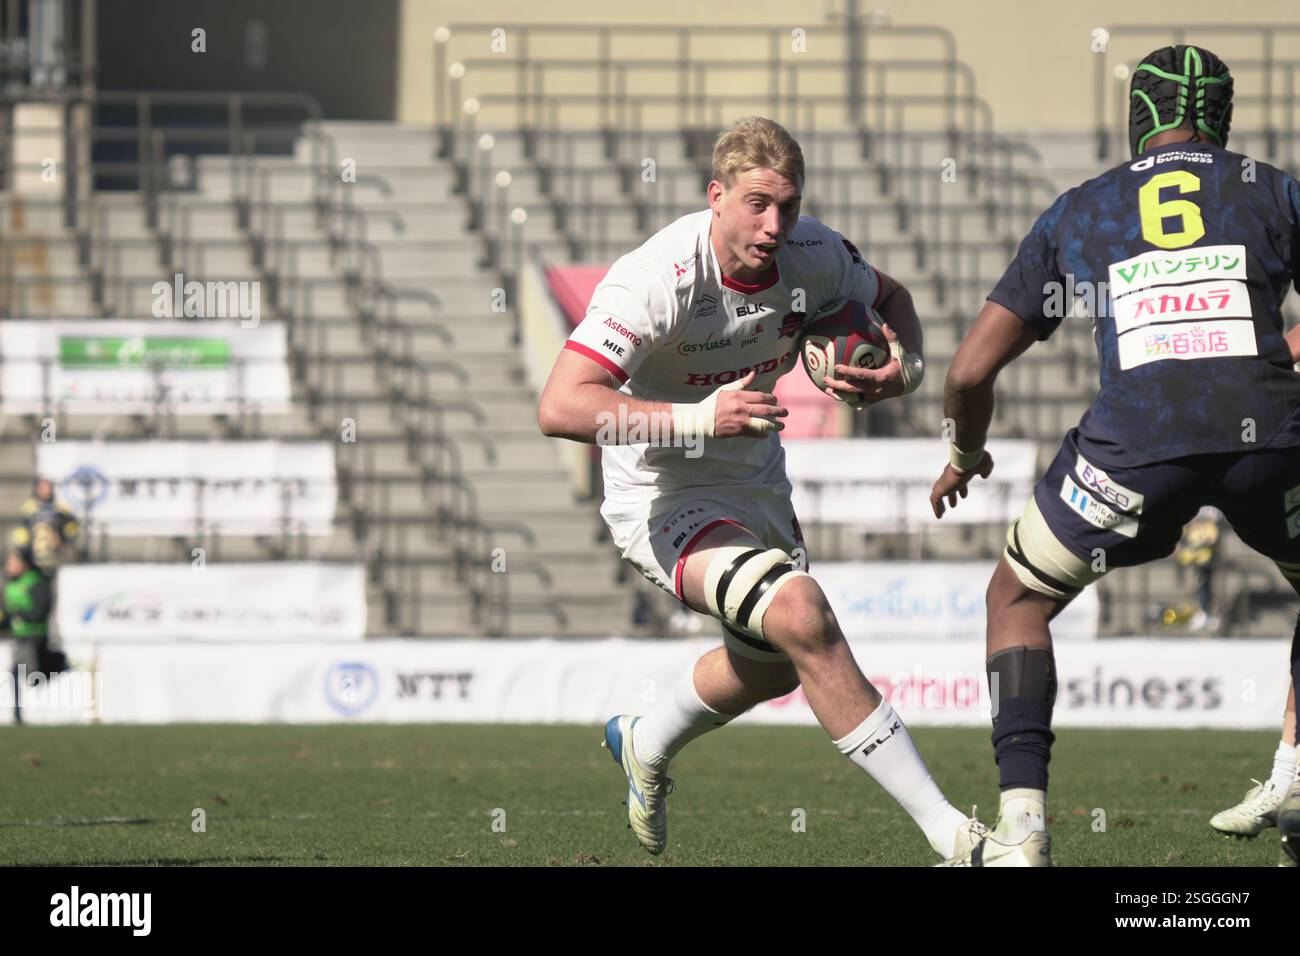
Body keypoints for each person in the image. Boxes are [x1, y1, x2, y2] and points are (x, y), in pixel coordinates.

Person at [538, 116, 986, 863]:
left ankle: (645, 743)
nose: (774, 225)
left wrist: (899, 370)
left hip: (757, 483)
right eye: (755, 203)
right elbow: (559, 407)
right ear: (716, 196)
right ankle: (955, 837)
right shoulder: (658, 279)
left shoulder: (814, 254)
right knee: (802, 612)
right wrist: (697, 417)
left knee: (770, 662)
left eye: (789, 205)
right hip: (661, 496)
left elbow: (893, 296)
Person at [928, 45, 1300, 866]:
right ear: (1222, 116)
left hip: (1134, 449)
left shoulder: (1084, 208)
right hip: (1272, 440)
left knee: (1016, 599)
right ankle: (1296, 771)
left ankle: (1023, 828)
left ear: (1139, 116)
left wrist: (965, 451)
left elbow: (968, 371)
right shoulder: (1273, 188)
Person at [1, 541, 55, 724]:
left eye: (13, 561)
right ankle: (17, 714)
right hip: (19, 638)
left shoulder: (37, 582)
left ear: (24, 563)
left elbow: (38, 612)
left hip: (35, 638)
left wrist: (17, 614)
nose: (9, 565)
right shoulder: (10, 585)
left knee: (33, 677)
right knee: (15, 674)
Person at [19, 477, 79, 571]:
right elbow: (22, 530)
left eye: (47, 487)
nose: (44, 490)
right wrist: (26, 546)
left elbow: (72, 526)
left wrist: (64, 539)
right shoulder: (29, 507)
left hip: (57, 551)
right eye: (41, 487)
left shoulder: (61, 507)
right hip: (34, 553)